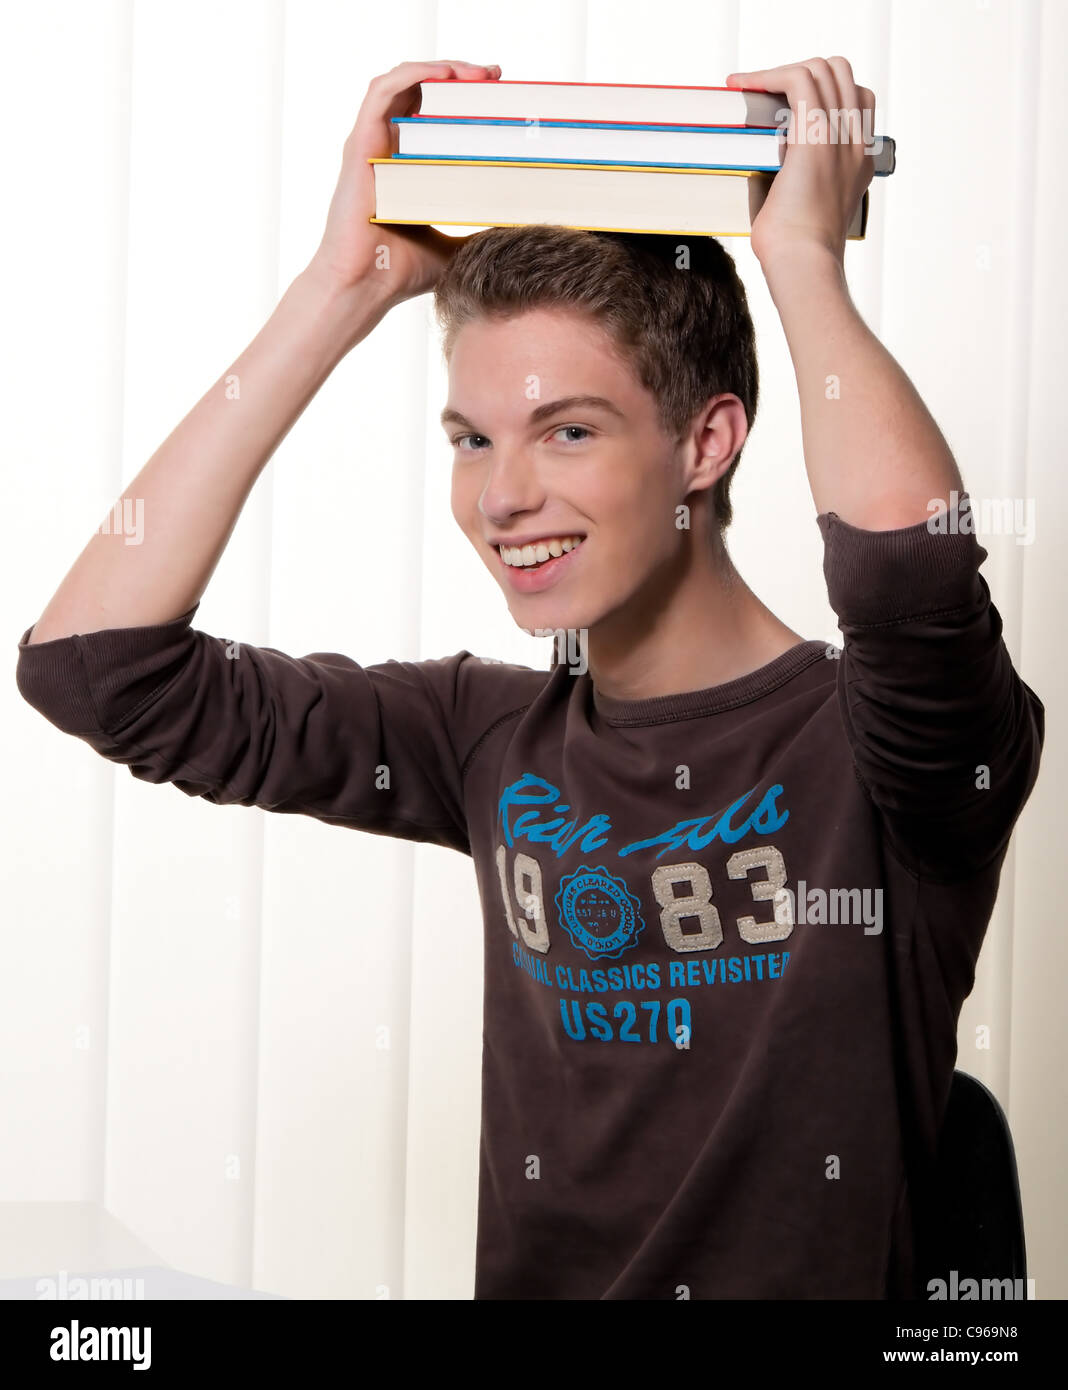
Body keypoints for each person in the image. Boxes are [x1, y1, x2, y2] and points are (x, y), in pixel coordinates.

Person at [15, 56, 1045, 1299]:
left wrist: (804, 265)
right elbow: (94, 670)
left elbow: (904, 577)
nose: (503, 497)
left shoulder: (885, 751)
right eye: (471, 439)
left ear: (706, 443)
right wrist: (344, 287)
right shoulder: (483, 737)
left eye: (569, 429)